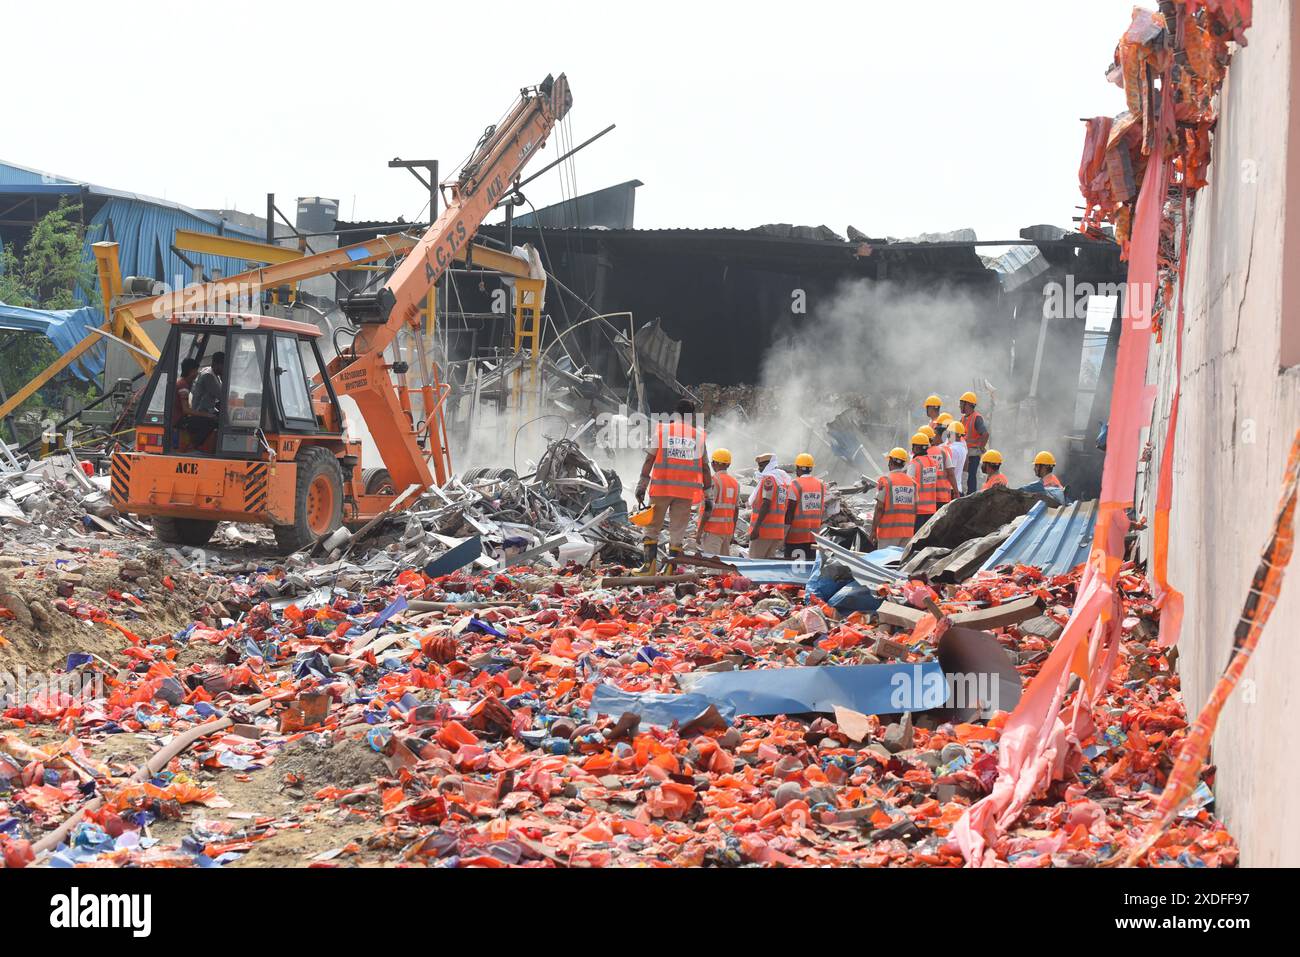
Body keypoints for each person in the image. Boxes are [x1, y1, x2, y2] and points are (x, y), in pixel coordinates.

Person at [635, 399, 711, 575]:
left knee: (652, 527)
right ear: (691, 416)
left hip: (661, 488)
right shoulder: (698, 436)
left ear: (675, 413)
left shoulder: (662, 431)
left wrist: (642, 485)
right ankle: (670, 569)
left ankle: (649, 568)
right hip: (685, 492)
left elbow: (649, 459)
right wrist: (708, 495)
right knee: (677, 531)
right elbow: (705, 467)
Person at [871, 448, 917, 549]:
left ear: (891, 462)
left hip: (889, 533)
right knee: (902, 563)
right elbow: (915, 508)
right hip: (907, 532)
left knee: (885, 563)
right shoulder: (912, 483)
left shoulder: (885, 481)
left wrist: (873, 530)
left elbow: (879, 508)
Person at [746, 452, 790, 560]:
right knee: (768, 567)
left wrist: (756, 529)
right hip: (776, 531)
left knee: (755, 564)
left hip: (764, 531)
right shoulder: (782, 481)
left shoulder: (769, 479)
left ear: (769, 465)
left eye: (761, 466)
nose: (759, 469)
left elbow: (766, 503)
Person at [784, 452, 826, 562]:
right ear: (811, 468)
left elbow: (790, 511)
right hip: (813, 535)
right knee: (808, 569)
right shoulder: (820, 484)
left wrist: (784, 534)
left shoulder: (795, 484)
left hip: (795, 536)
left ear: (798, 468)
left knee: (793, 570)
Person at [698, 448, 740, 556]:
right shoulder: (735, 483)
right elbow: (736, 510)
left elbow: (708, 508)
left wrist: (699, 531)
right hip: (727, 531)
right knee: (724, 566)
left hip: (712, 531)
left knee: (713, 566)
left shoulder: (714, 481)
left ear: (714, 463)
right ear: (728, 464)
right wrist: (732, 532)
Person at [180, 351, 224, 452]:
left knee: (216, 418)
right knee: (215, 421)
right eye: (223, 366)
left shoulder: (212, 374)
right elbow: (222, 396)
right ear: (218, 364)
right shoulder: (208, 376)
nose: (196, 374)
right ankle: (194, 445)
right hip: (200, 413)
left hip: (205, 411)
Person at [905, 432, 939, 532]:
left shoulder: (915, 463)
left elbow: (908, 486)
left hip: (918, 509)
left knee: (916, 540)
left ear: (916, 447)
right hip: (931, 508)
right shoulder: (933, 462)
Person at [959, 391, 991, 495]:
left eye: (962, 404)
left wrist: (981, 447)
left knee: (971, 476)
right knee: (965, 477)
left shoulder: (977, 418)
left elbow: (985, 434)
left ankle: (971, 496)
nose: (960, 406)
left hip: (973, 455)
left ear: (968, 404)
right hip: (965, 454)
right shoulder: (963, 419)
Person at [923, 425, 959, 509]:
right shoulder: (943, 452)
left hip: (928, 498)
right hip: (943, 495)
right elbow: (951, 474)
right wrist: (956, 491)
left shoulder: (920, 456)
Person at [173, 358, 199, 450]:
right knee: (205, 423)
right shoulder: (183, 386)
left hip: (177, 418)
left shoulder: (181, 382)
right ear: (191, 371)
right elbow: (186, 410)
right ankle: (191, 448)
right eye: (196, 370)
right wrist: (207, 415)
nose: (197, 373)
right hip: (178, 420)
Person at [945, 420, 970, 494]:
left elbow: (950, 472)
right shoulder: (962, 447)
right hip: (958, 487)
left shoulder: (953, 449)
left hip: (952, 489)